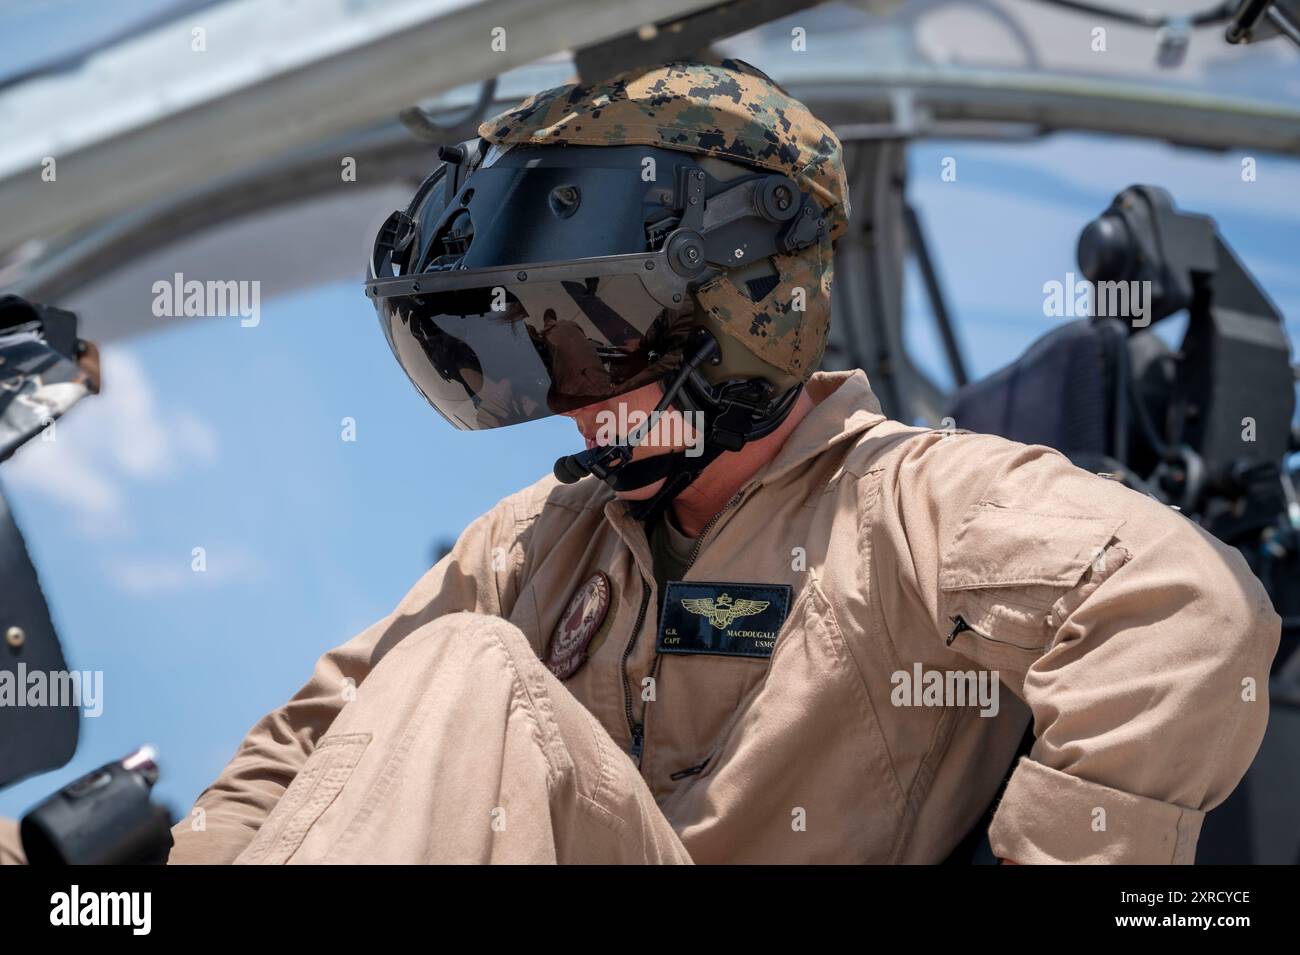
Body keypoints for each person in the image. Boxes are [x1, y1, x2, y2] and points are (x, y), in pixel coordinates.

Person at [155, 58, 1276, 864]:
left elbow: (1184, 614)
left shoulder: (912, 502)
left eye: (592, 347)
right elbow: (303, 750)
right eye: (530, 356)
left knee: (469, 676)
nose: (566, 403)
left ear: (741, 316)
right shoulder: (538, 544)